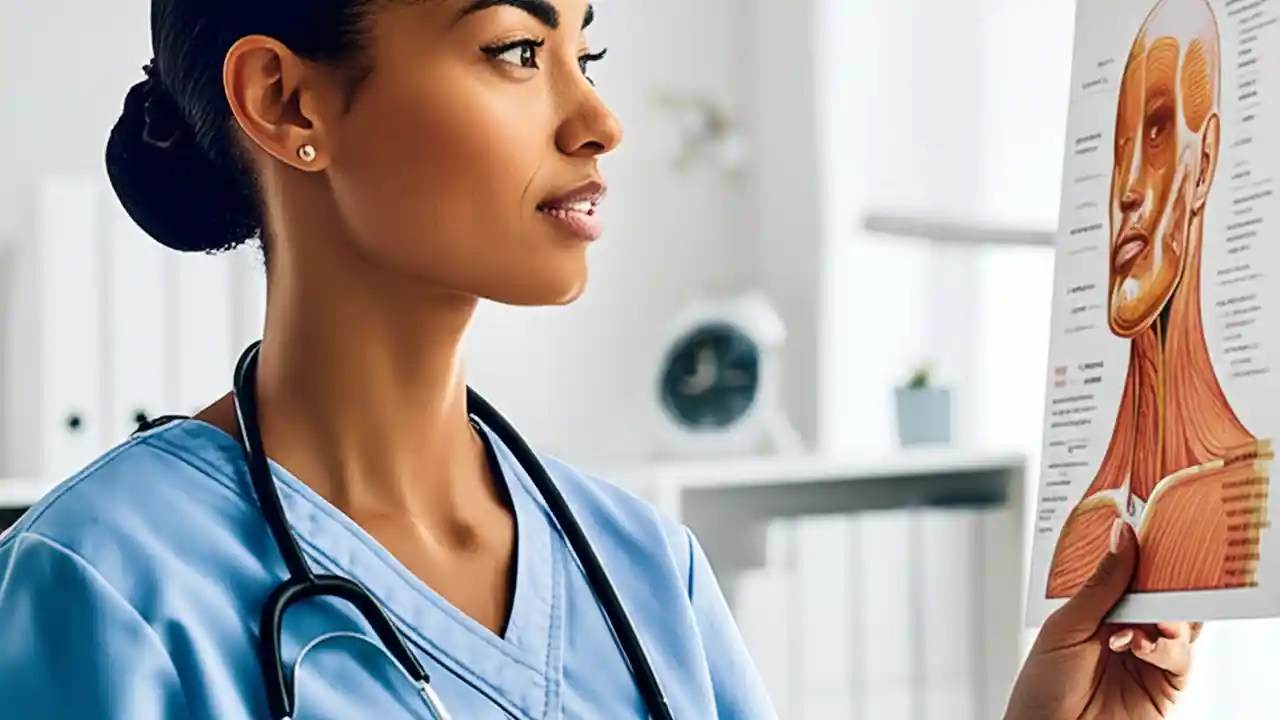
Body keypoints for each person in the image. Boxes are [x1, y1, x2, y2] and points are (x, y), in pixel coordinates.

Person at [0, 0, 1197, 717]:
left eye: (589, 50)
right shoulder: (100, 587)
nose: (596, 118)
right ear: (285, 100)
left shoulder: (641, 570)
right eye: (517, 49)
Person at [1047, 0, 1272, 599]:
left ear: (1205, 167)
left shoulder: (1252, 497)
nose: (1125, 189)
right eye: (1119, 150)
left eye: (1156, 130)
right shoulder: (1084, 534)